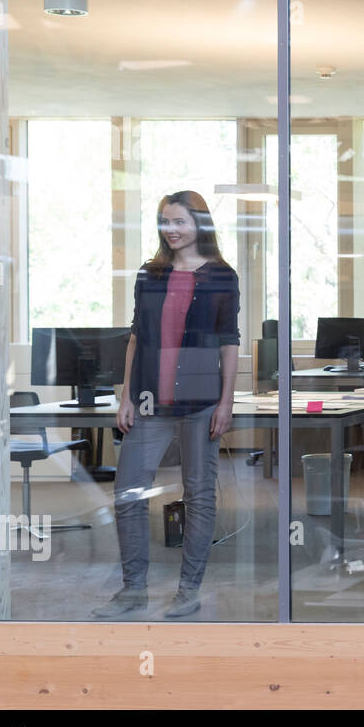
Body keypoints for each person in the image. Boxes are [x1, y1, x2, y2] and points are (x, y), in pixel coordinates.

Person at [92, 191, 239, 619]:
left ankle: (188, 589)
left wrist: (225, 402)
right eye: (165, 222)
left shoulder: (221, 276)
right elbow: (137, 336)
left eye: (179, 222)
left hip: (200, 400)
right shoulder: (149, 274)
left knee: (198, 494)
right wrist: (125, 396)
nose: (171, 230)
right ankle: (133, 588)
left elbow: (229, 341)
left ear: (199, 225)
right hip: (149, 399)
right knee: (128, 493)